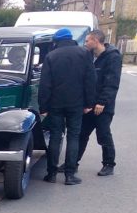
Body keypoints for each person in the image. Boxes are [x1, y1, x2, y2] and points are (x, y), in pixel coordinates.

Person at [38, 28, 96, 185]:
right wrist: (89, 103)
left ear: (57, 41)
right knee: (73, 136)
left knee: (55, 137)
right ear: (71, 38)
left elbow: (45, 84)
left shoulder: (51, 56)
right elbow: (90, 80)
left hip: (55, 104)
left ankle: (51, 174)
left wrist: (43, 106)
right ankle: (70, 175)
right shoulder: (84, 54)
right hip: (76, 104)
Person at [78, 29, 122, 176]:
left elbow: (112, 82)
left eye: (87, 40)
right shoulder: (89, 56)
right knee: (81, 134)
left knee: (103, 134)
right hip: (89, 105)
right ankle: (72, 163)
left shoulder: (112, 57)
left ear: (95, 41)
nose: (85, 43)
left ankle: (109, 164)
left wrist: (102, 102)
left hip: (103, 106)